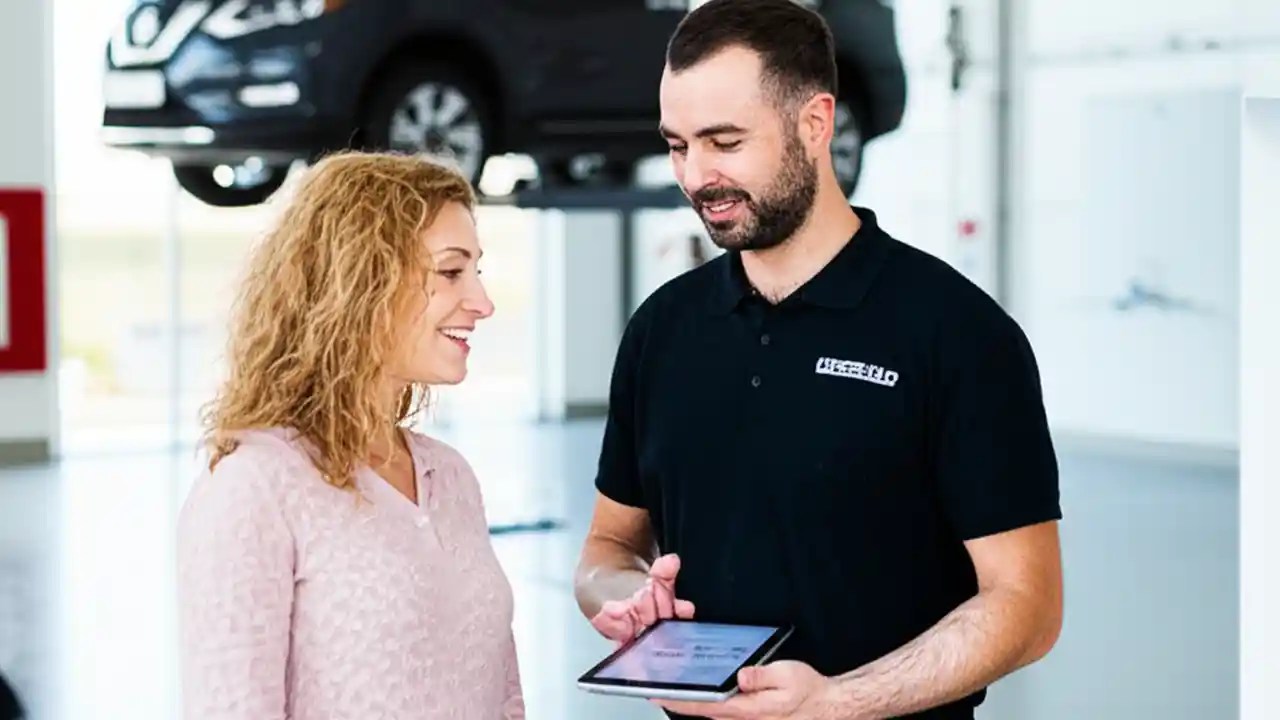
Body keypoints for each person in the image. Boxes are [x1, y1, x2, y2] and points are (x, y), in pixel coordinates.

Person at [573, 1, 1064, 719]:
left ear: (816, 122)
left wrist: (835, 703)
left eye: (725, 141)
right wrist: (627, 598)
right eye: (677, 145)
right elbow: (607, 549)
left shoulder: (957, 333)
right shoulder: (661, 331)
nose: (696, 176)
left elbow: (1027, 604)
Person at [176, 151, 523, 720]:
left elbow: (505, 699)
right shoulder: (255, 489)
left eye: (476, 271)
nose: (482, 302)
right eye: (451, 271)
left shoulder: (451, 476)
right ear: (363, 280)